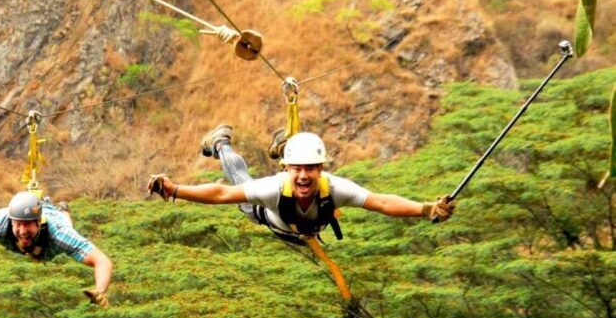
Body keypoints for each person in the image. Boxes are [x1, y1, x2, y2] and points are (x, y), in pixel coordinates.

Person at [147, 125, 455, 244]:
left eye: (311, 169)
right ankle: (220, 145)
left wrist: (426, 208)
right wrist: (175, 190)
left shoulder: (335, 188)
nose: (304, 176)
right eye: (298, 169)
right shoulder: (274, 187)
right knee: (243, 183)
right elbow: (222, 192)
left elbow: (383, 203)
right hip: (266, 215)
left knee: (272, 182)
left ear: (321, 168)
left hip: (307, 230)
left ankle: (285, 144)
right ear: (287, 168)